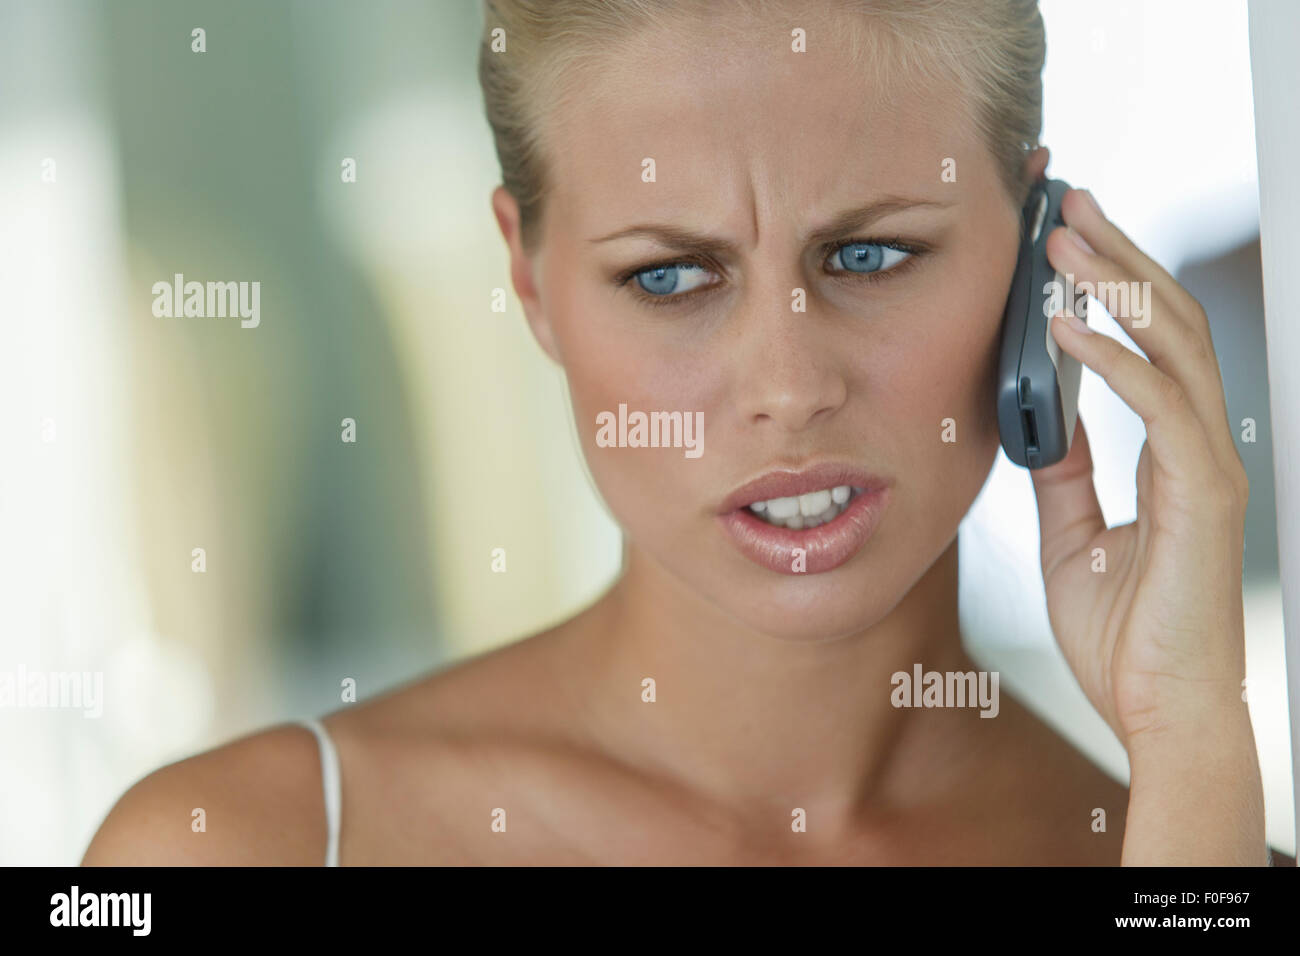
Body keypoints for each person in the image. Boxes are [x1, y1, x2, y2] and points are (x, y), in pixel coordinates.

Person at [82, 0, 1292, 866]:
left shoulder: (1195, 856)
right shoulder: (238, 850)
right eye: (669, 276)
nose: (788, 384)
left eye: (869, 254)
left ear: (1040, 257)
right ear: (532, 276)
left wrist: (1191, 729)